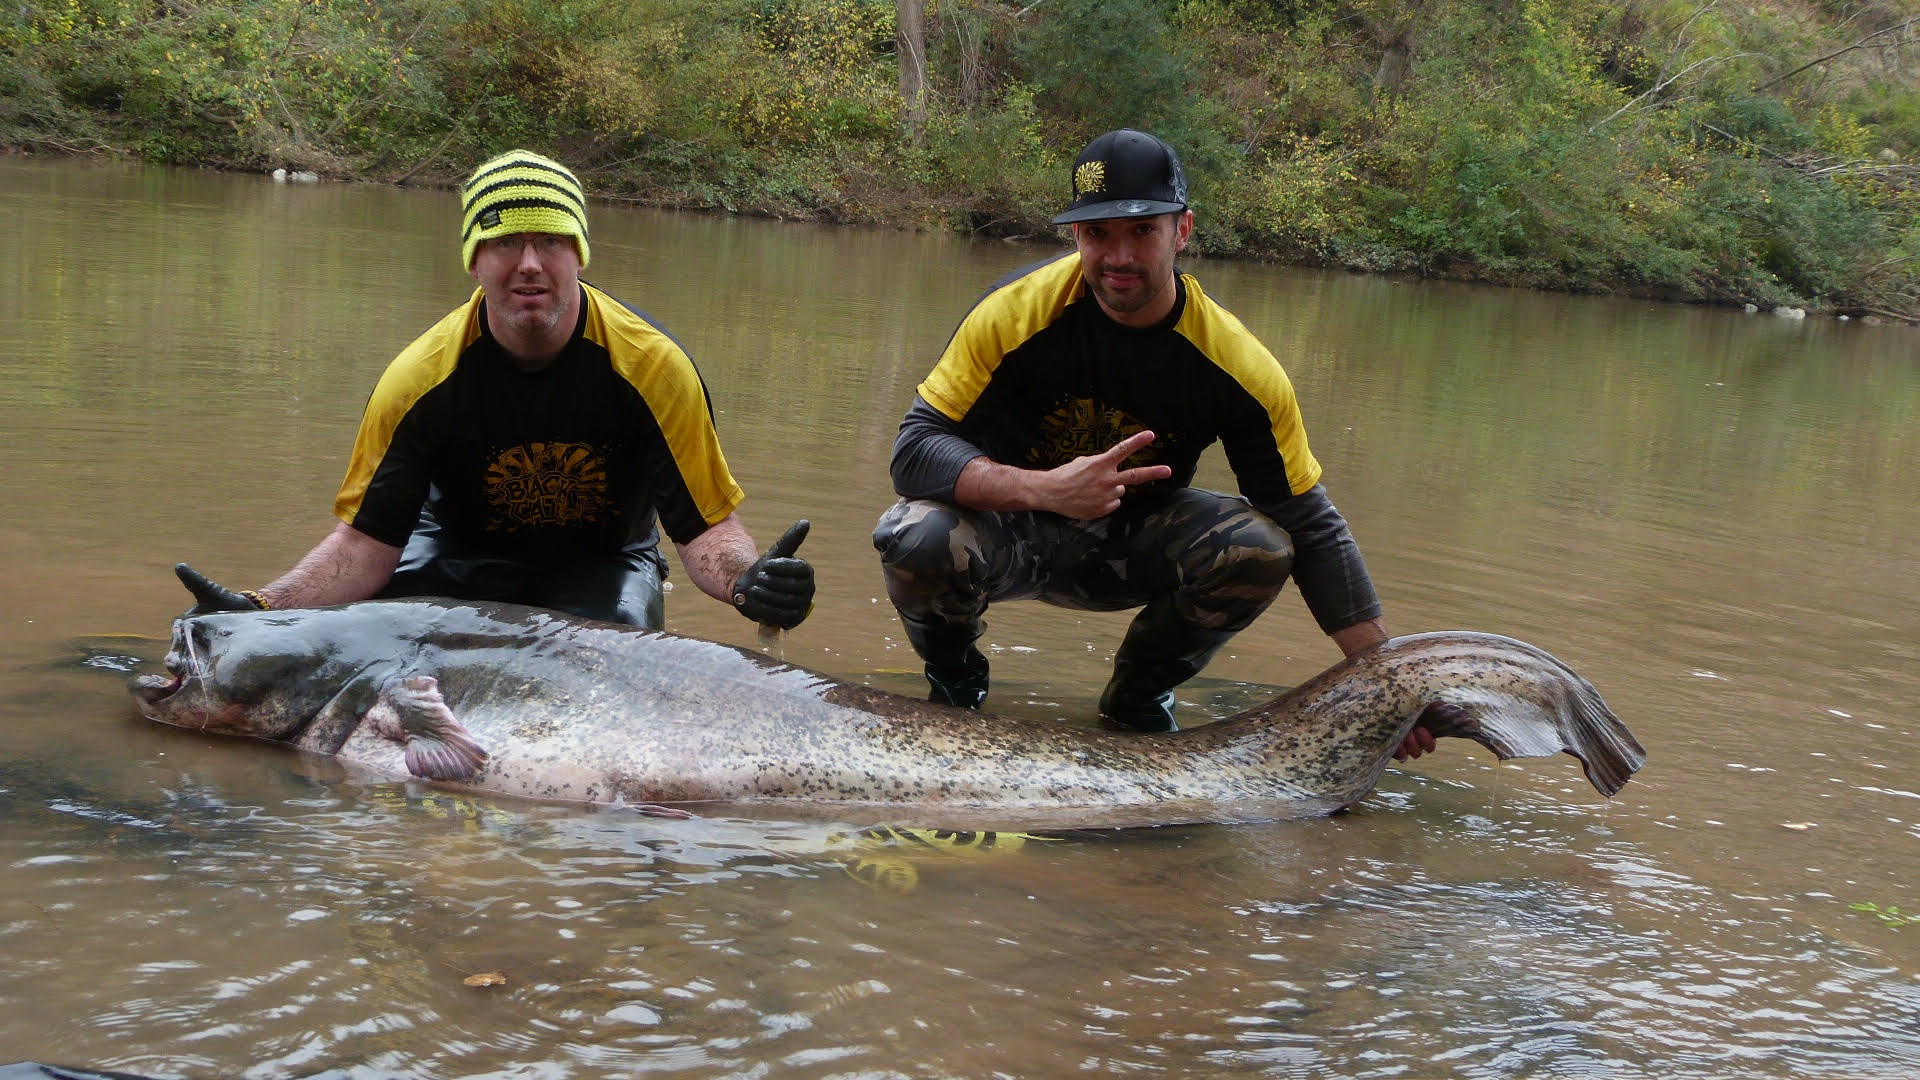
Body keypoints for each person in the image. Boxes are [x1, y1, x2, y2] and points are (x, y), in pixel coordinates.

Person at [872, 128, 1438, 754]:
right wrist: (1046, 489)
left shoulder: (1235, 363)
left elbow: (1309, 521)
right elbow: (915, 448)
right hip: (1006, 533)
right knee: (916, 532)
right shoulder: (1013, 313)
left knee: (1262, 545)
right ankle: (955, 690)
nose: (1119, 256)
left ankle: (1138, 700)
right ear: (1075, 238)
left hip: (1126, 549)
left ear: (1183, 231)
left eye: (1142, 231)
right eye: (1099, 233)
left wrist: (1389, 686)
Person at [177, 149, 813, 631]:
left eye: (551, 242)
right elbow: (366, 546)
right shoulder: (419, 379)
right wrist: (259, 611)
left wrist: (747, 583)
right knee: (366, 642)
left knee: (621, 659)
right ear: (474, 260)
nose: (529, 263)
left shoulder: (653, 368)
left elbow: (705, 531)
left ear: (580, 255)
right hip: (452, 551)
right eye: (506, 241)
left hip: (603, 563)